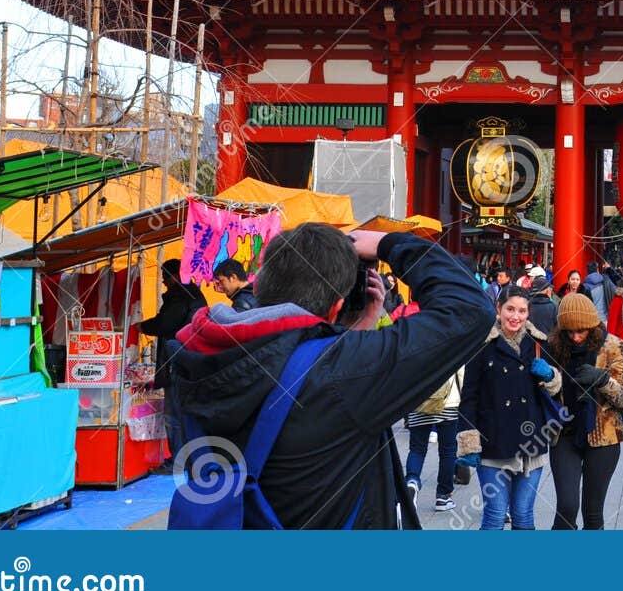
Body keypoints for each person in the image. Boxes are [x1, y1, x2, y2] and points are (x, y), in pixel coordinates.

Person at [169, 223, 494, 528]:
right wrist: (387, 243)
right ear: (338, 304)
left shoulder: (198, 350)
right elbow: (470, 310)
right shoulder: (341, 371)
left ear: (263, 283)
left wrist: (351, 334)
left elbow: (285, 352)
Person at [457, 287, 565, 530]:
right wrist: (468, 441)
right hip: (493, 442)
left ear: (528, 313)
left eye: (522, 311)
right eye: (510, 309)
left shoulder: (538, 343)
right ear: (499, 309)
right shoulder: (482, 345)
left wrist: (550, 376)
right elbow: (469, 397)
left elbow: (557, 390)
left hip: (531, 443)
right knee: (495, 516)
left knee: (524, 515)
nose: (515, 316)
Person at [543, 293, 623, 529]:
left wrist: (602, 380)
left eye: (581, 331)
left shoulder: (613, 346)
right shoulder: (553, 346)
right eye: (569, 332)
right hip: (564, 433)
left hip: (603, 437)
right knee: (567, 507)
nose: (576, 337)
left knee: (593, 511)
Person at [140, 259, 208, 392]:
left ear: (176, 276)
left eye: (165, 277)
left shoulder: (181, 296)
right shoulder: (192, 292)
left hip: (179, 357)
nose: (163, 282)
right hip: (190, 355)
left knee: (176, 394)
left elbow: (165, 322)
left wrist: (143, 327)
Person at [406, 368, 465, 511]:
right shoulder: (452, 345)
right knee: (448, 451)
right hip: (449, 402)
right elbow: (461, 373)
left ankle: (412, 481)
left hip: (418, 403)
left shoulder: (411, 344)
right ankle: (443, 496)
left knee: (416, 449)